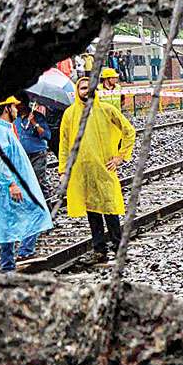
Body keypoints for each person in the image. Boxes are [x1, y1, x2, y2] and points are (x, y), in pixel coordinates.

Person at [58, 76, 136, 263]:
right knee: (92, 212)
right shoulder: (69, 114)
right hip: (82, 172)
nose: (87, 91)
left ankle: (119, 249)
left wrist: (120, 157)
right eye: (83, 88)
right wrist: (63, 171)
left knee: (111, 210)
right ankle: (99, 251)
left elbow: (129, 131)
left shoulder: (107, 110)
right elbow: (64, 144)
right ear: (77, 91)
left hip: (104, 169)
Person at [0, 96, 52, 271]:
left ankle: (8, 264)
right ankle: (12, 261)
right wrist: (11, 183)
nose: (16, 110)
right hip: (11, 184)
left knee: (8, 221)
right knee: (35, 212)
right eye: (13, 106)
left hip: (13, 183)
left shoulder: (1, 128)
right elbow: (0, 159)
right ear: (6, 109)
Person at [14, 100, 52, 196]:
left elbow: (46, 135)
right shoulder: (15, 118)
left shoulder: (38, 116)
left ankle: (47, 206)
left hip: (37, 154)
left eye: (18, 103)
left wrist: (34, 123)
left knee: (38, 181)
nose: (16, 106)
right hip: (21, 155)